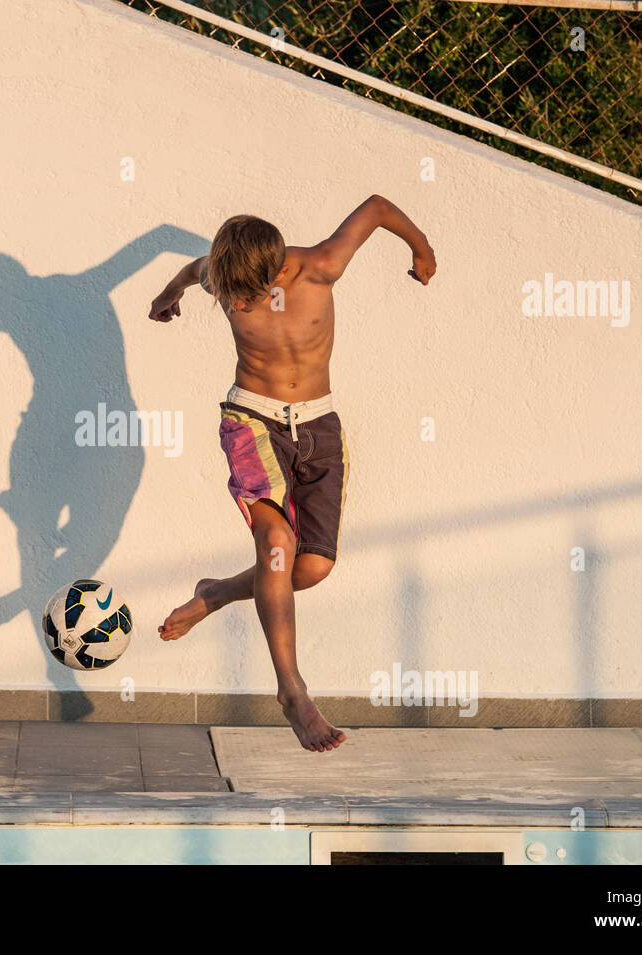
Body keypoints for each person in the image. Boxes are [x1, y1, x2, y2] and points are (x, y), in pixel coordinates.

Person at [148, 196, 436, 751]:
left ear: (277, 269)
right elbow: (193, 270)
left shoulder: (321, 265)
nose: (236, 301)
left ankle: (217, 593)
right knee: (276, 540)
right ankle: (293, 692)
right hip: (251, 420)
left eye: (245, 293)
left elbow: (376, 208)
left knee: (310, 568)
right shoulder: (222, 273)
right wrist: (169, 295)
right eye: (228, 292)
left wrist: (421, 250)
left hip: (318, 426)